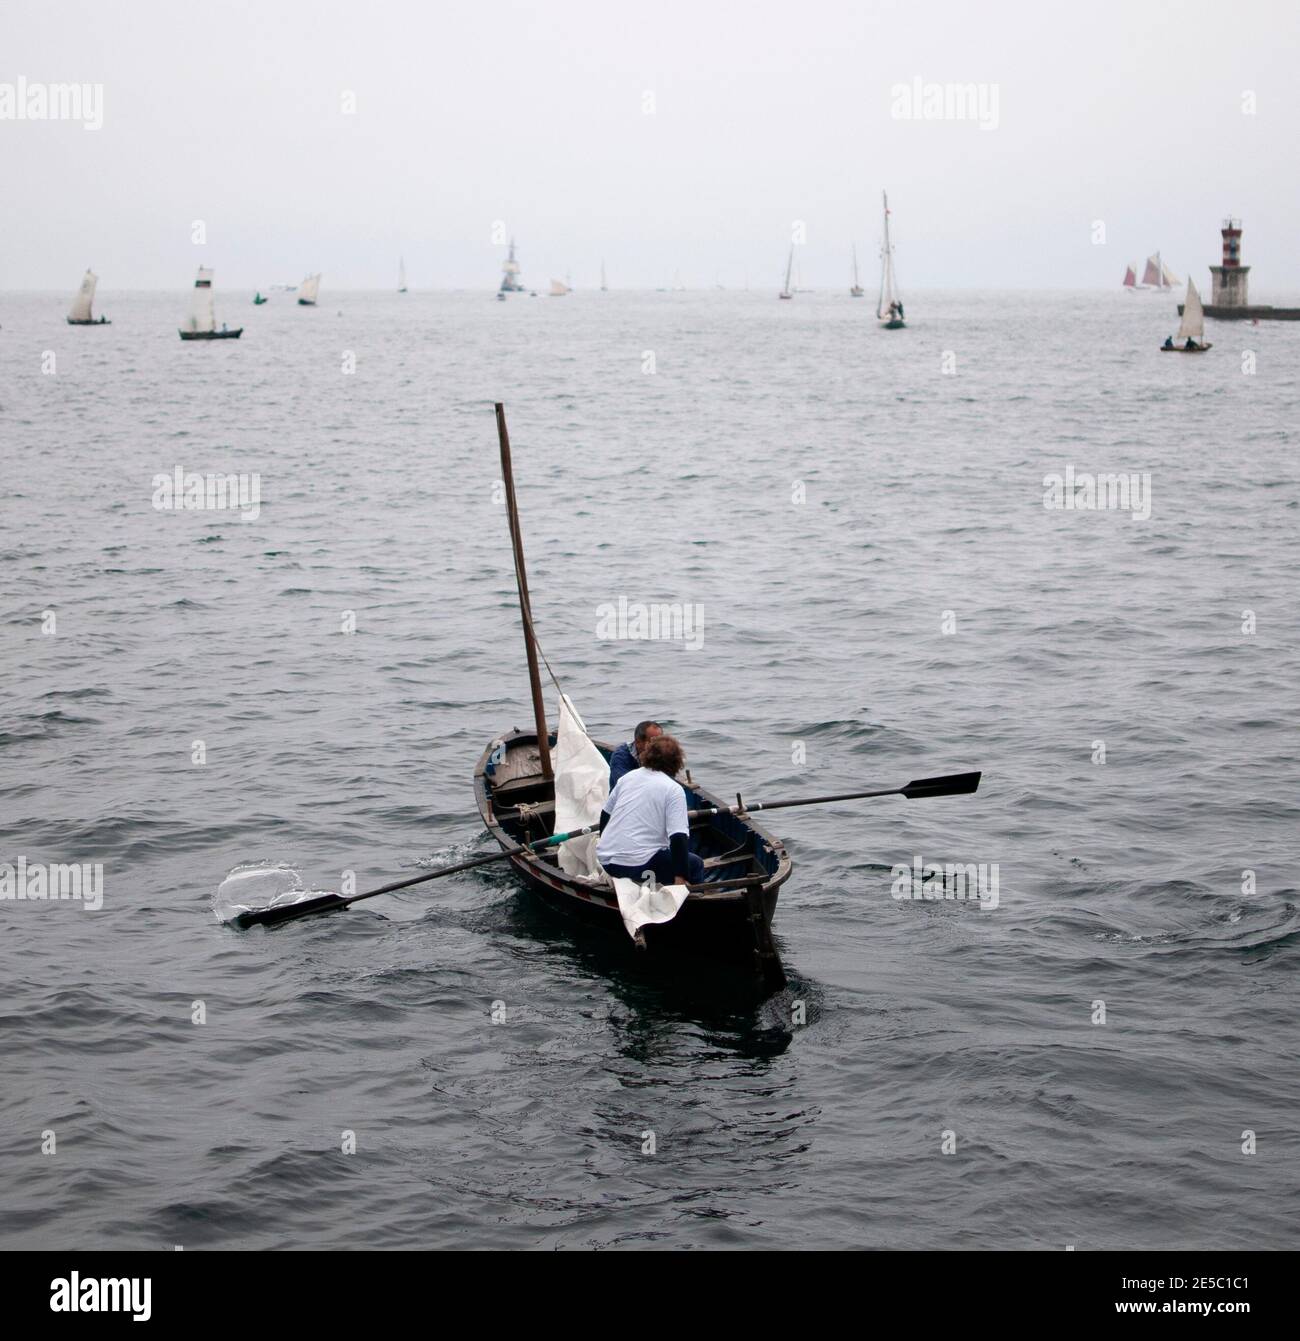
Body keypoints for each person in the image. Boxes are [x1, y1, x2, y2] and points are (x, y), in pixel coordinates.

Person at [597, 734, 705, 888]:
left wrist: (607, 844)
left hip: (607, 860)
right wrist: (680, 876)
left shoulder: (627, 778)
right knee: (695, 864)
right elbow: (678, 837)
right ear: (677, 762)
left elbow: (605, 815)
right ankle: (688, 903)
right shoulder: (673, 789)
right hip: (636, 866)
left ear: (646, 756)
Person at [608, 719, 663, 789]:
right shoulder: (620, 756)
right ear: (638, 742)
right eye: (653, 741)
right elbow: (624, 785)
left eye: (661, 740)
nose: (658, 745)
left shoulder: (662, 754)